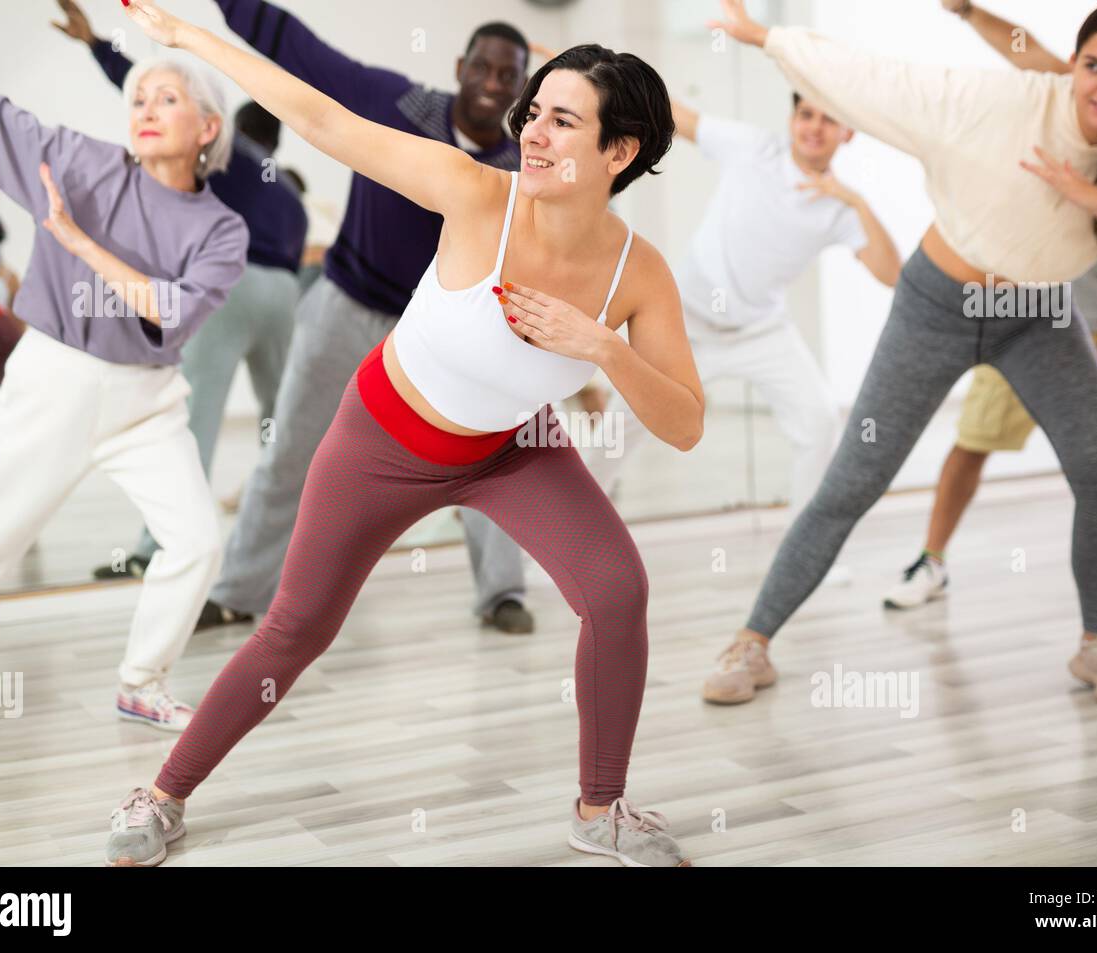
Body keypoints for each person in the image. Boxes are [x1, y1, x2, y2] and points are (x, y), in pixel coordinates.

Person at [104, 0, 703, 868]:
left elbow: (684, 423)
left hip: (510, 449)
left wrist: (603, 347)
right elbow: (322, 118)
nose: (530, 131)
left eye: (561, 120)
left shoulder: (637, 273)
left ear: (621, 152)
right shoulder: (474, 192)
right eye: (533, 111)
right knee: (295, 631)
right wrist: (195, 39)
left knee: (617, 593)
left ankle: (600, 809)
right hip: (382, 439)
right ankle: (163, 794)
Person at [702, 0, 1097, 709]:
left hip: (1036, 314)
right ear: (1073, 64)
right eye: (1095, 65)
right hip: (937, 306)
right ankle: (751, 642)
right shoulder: (1003, 101)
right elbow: (881, 81)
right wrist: (767, 38)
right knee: (854, 480)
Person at [0, 44, 249, 730]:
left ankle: (141, 682)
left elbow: (171, 308)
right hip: (56, 381)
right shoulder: (79, 164)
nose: (145, 111)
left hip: (148, 402)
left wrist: (78, 243)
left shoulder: (222, 229)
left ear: (208, 127)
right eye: (136, 100)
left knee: (196, 541)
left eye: (166, 98)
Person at [186, 0, 539, 635]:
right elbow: (300, 53)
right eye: (482, 68)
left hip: (444, 334)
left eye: (507, 76)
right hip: (346, 306)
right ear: (460, 67)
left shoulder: (520, 167)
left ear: (521, 86)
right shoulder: (396, 103)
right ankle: (239, 590)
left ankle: (502, 594)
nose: (492, 83)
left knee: (489, 455)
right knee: (291, 451)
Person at [885, 1, 1097, 609]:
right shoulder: (1090, 92)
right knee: (976, 438)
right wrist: (966, 13)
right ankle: (930, 560)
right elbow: (1025, 49)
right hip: (1039, 315)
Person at [582, 91, 900, 611]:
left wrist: (856, 201)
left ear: (848, 133)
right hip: (685, 322)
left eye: (829, 119)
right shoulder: (754, 149)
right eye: (806, 114)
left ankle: (805, 555)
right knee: (618, 432)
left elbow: (893, 275)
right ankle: (572, 548)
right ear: (792, 118)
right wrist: (602, 83)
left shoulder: (839, 206)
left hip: (761, 331)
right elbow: (678, 117)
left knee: (819, 420)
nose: (814, 127)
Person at [51, 0, 309, 582]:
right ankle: (300, 547)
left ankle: (154, 549)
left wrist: (95, 43)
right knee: (286, 423)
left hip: (233, 289)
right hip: (284, 299)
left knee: (192, 419)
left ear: (223, 128)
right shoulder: (289, 195)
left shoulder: (226, 154)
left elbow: (141, 88)